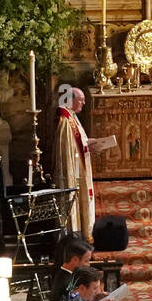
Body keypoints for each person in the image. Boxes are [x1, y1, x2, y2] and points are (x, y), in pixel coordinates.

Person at [53, 87, 98, 238]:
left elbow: (80, 142)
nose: (84, 103)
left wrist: (94, 143)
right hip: (74, 170)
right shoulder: (65, 120)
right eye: (81, 99)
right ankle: (74, 236)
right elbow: (68, 149)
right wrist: (87, 146)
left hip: (80, 166)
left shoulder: (72, 117)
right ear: (70, 100)